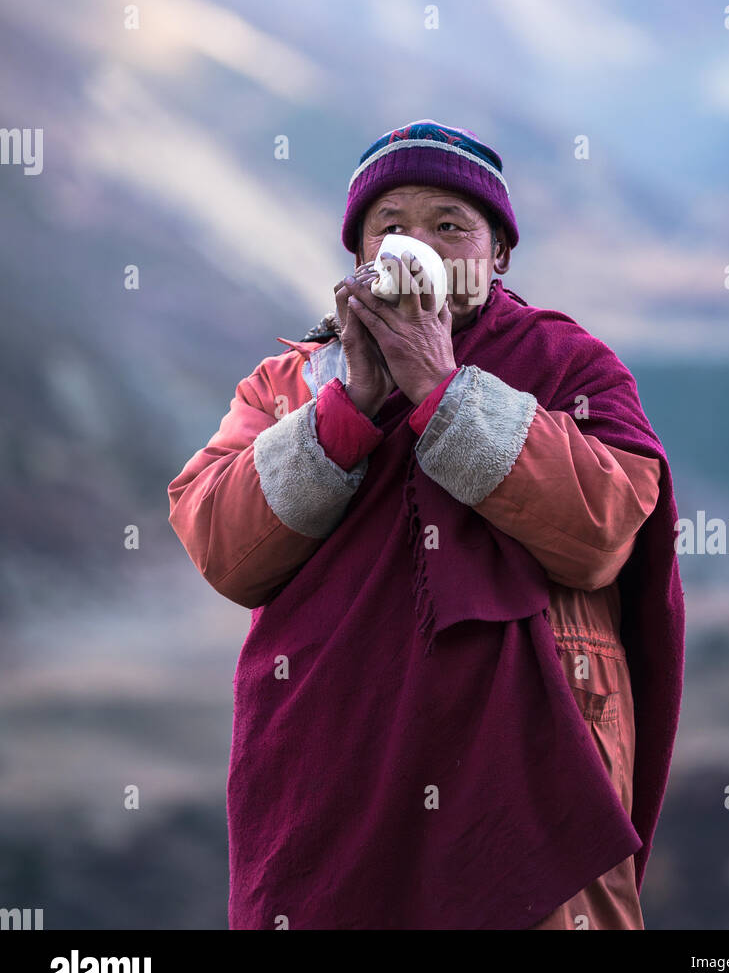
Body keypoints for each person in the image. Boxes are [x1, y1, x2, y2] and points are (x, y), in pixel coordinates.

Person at [168, 118, 685, 930]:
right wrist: (346, 412)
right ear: (360, 254)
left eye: (451, 226)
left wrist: (446, 389)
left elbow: (606, 530)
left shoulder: (568, 364)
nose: (420, 245)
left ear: (499, 254)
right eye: (393, 225)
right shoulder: (292, 381)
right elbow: (221, 548)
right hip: (332, 763)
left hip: (526, 769)